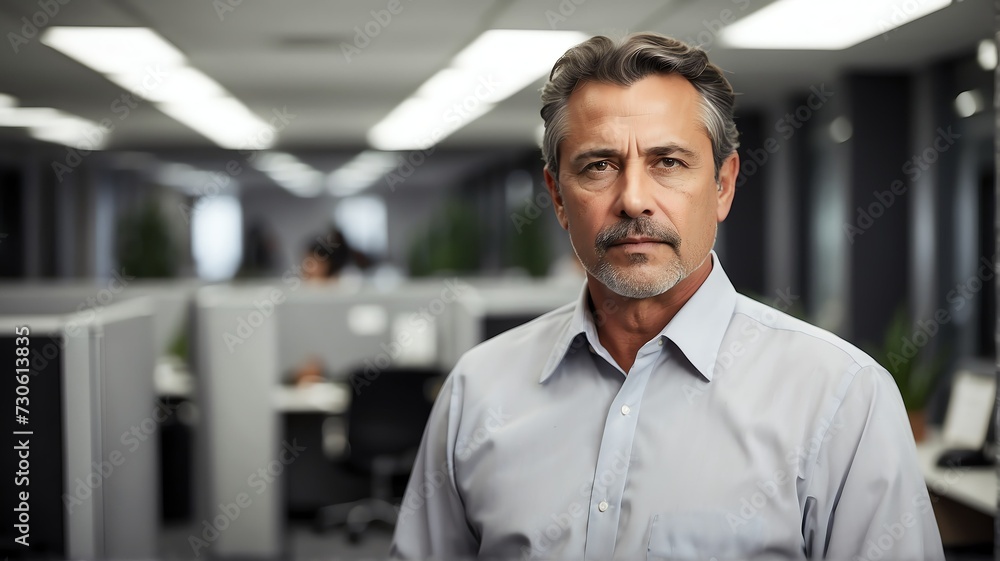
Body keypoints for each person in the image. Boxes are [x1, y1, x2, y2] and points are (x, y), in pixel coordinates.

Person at [390, 33, 944, 560]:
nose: (634, 199)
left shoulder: (841, 398)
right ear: (558, 197)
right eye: (599, 165)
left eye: (669, 162)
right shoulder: (476, 390)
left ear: (723, 185)